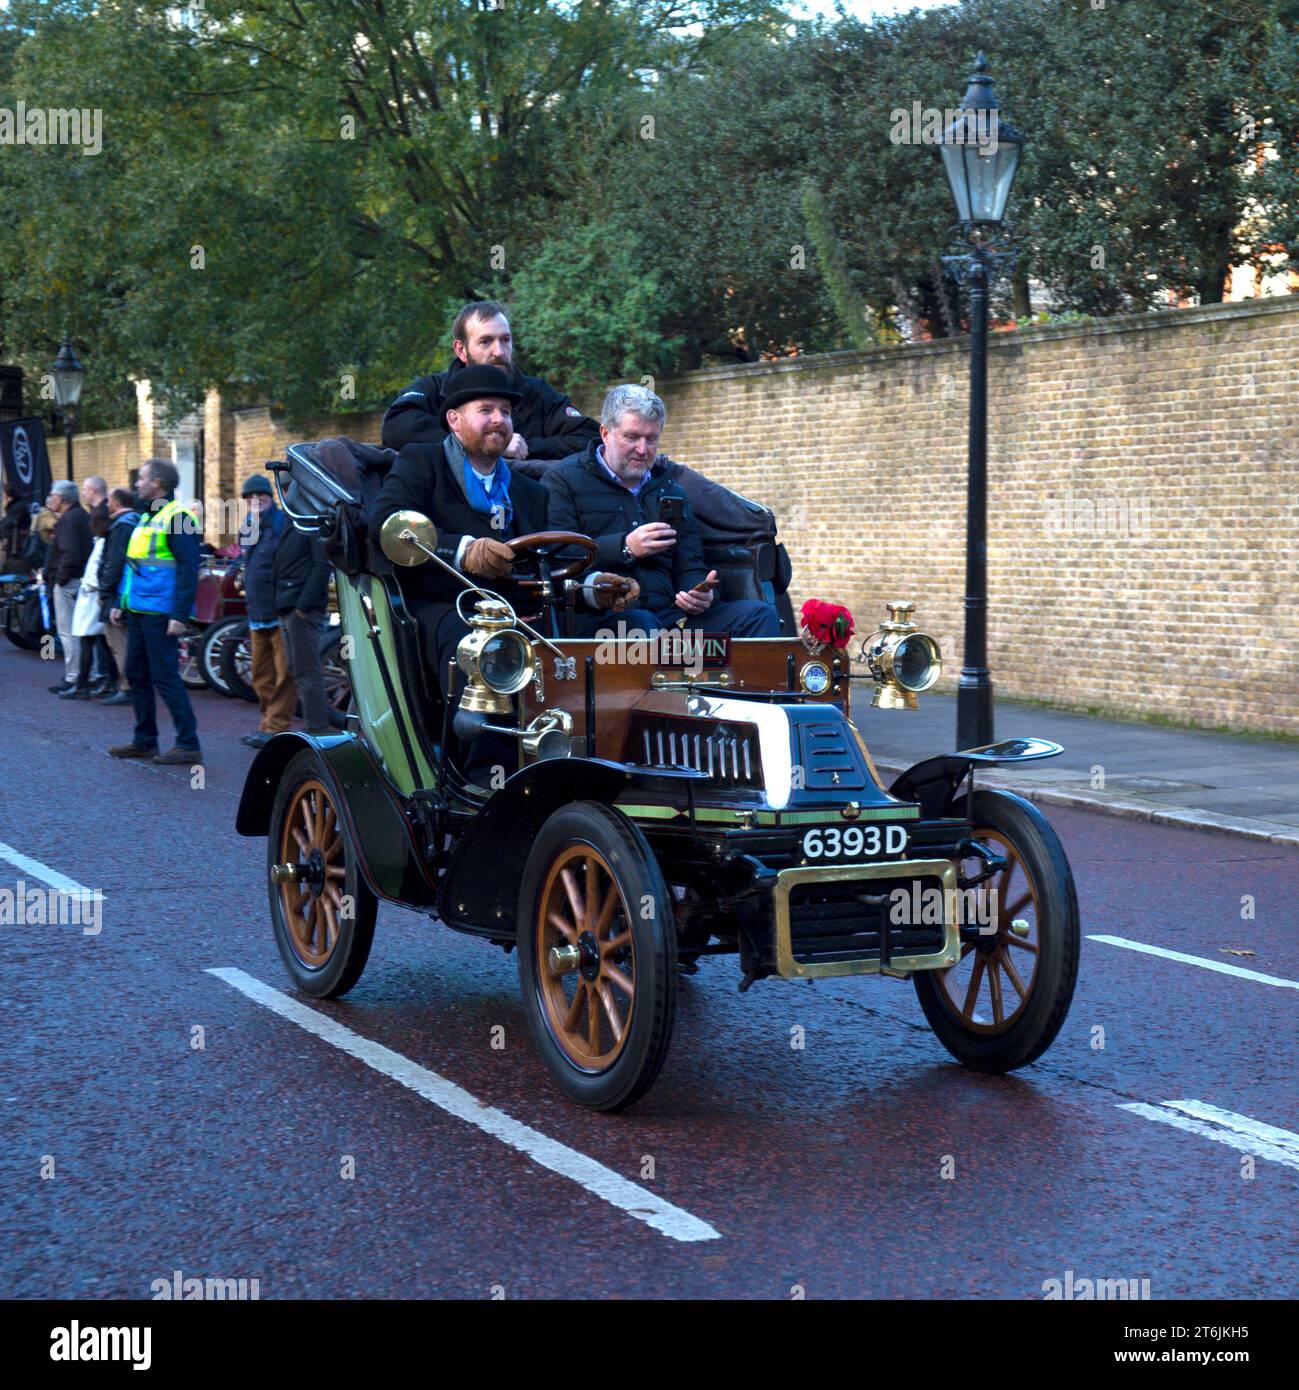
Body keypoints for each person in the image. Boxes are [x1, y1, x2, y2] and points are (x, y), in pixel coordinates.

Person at [542, 384, 781, 640]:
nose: (643, 449)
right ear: (605, 433)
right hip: (601, 621)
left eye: (651, 439)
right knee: (641, 626)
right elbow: (560, 560)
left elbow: (690, 565)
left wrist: (701, 594)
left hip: (671, 619)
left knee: (760, 616)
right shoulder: (562, 481)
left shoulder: (671, 488)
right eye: (632, 437)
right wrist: (625, 547)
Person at [380, 300, 599, 461]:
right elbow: (396, 428)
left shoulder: (536, 393)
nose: (499, 351)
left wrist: (527, 447)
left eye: (505, 340)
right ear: (461, 350)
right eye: (485, 341)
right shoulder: (433, 390)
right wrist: (481, 443)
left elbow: (588, 438)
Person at [107, 458, 202, 765]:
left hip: (161, 612)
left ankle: (188, 743)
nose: (137, 483)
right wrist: (119, 603)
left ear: (158, 482)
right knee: (136, 674)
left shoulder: (179, 517)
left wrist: (180, 615)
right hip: (138, 609)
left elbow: (189, 570)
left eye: (142, 478)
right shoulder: (147, 517)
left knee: (165, 677)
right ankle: (144, 740)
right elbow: (134, 565)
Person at [236, 475, 296, 750]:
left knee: (284, 674)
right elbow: (246, 558)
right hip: (256, 611)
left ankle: (276, 727)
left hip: (281, 609)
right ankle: (266, 724)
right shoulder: (248, 524)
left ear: (270, 497)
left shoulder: (284, 522)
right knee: (261, 674)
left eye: (261, 494)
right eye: (249, 496)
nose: (255, 499)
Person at [273, 519, 334, 739]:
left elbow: (321, 566)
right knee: (299, 669)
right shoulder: (294, 521)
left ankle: (318, 727)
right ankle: (315, 725)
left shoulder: (308, 523)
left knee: (307, 670)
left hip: (299, 608)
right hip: (290, 605)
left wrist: (302, 607)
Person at [41, 480, 93, 693]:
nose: (50, 499)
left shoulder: (69, 520)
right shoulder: (80, 516)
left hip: (68, 582)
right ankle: (81, 675)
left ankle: (74, 677)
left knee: (68, 632)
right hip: (76, 579)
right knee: (78, 632)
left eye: (52, 494)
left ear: (61, 498)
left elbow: (70, 553)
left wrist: (59, 579)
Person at [64, 504, 116, 698]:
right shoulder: (103, 541)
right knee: (103, 642)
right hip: (95, 596)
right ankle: (108, 682)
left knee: (87, 640)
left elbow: (97, 571)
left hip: (92, 597)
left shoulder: (103, 543)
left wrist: (88, 587)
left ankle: (82, 684)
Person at [95, 487, 138, 705]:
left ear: (115, 503)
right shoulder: (136, 521)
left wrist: (104, 592)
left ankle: (127, 686)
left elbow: (114, 563)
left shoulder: (121, 526)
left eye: (109, 500)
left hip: (118, 593)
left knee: (118, 642)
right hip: (130, 591)